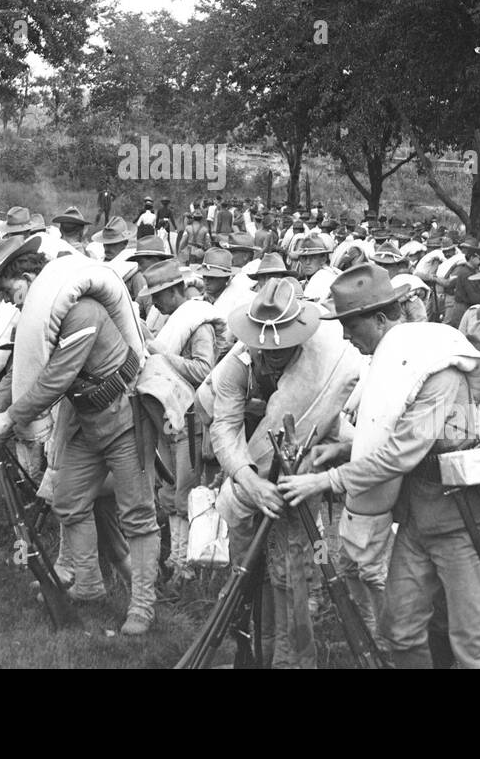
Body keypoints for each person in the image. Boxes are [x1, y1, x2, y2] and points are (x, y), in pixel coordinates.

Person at [278, 264, 480, 669]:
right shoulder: (400, 364)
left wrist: (325, 480)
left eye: (353, 324)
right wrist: (348, 453)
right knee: (400, 630)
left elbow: (403, 452)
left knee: (476, 648)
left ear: (381, 319)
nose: (348, 335)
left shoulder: (442, 376)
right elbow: (391, 437)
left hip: (459, 524)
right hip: (420, 522)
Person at [0, 245, 161, 637]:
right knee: (68, 501)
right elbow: (24, 372)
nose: (12, 303)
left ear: (28, 281)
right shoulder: (49, 318)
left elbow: (57, 376)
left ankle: (143, 607)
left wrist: (9, 419)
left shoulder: (82, 312)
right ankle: (90, 584)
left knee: (138, 517)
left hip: (125, 420)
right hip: (88, 424)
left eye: (13, 293)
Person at [208, 277, 362, 667]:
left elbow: (339, 426)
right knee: (246, 571)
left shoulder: (322, 363)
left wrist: (335, 450)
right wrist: (250, 481)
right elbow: (223, 429)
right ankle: (254, 650)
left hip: (301, 480)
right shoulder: (235, 369)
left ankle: (291, 660)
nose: (273, 353)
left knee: (293, 575)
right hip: (249, 479)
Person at [137, 258, 219, 588]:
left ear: (173, 291)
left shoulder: (199, 325)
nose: (154, 302)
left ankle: (187, 565)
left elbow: (204, 370)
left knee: (186, 489)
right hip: (170, 413)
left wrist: (161, 354)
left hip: (191, 416)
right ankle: (175, 558)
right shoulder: (173, 321)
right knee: (170, 487)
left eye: (158, 295)